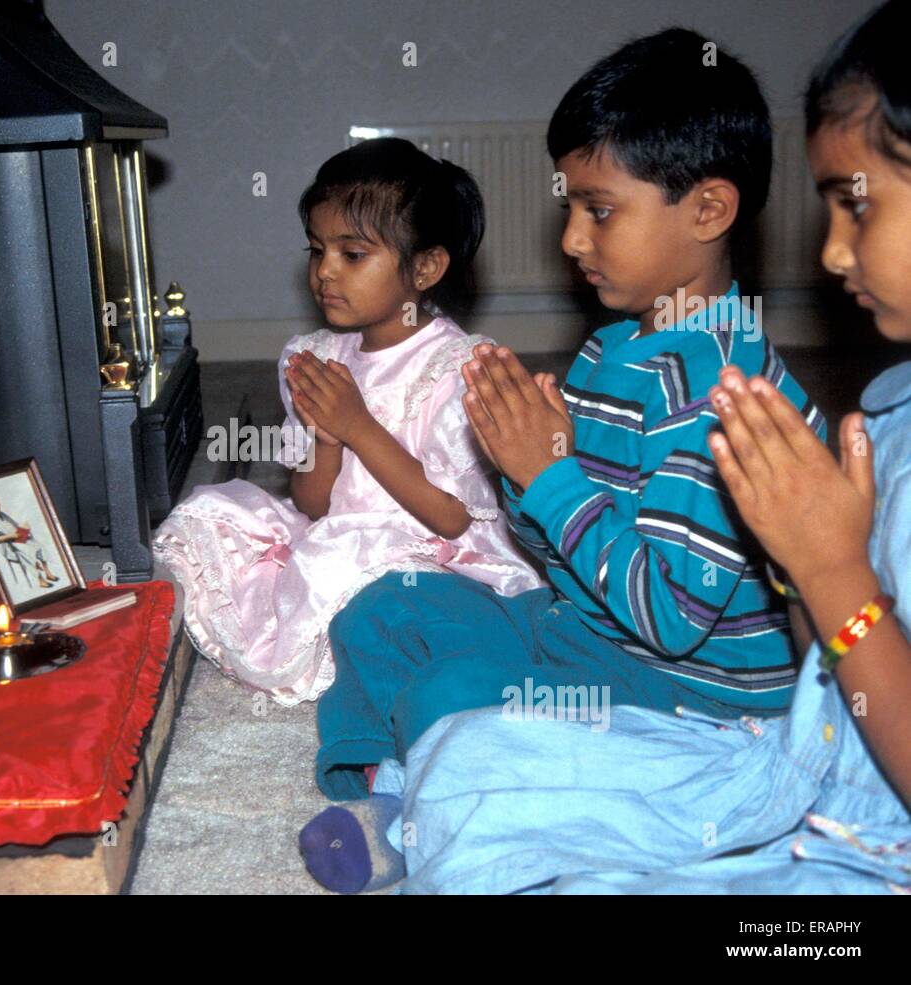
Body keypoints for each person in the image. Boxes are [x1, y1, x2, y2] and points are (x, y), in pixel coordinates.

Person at [310, 1, 911, 896]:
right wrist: (527, 474)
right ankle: (393, 780)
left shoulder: (721, 397)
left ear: (708, 209)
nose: (571, 239)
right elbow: (558, 551)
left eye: (598, 210)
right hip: (584, 625)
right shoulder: (612, 348)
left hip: (686, 691)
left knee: (456, 690)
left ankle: (409, 809)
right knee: (384, 611)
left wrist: (550, 475)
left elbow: (668, 619)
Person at [154, 138, 543, 707]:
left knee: (392, 608)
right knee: (204, 524)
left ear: (427, 267)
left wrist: (359, 426)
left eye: (352, 255)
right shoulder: (314, 357)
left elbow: (452, 517)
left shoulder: (459, 367)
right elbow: (314, 505)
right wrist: (326, 435)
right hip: (342, 533)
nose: (325, 273)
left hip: (431, 547)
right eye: (317, 251)